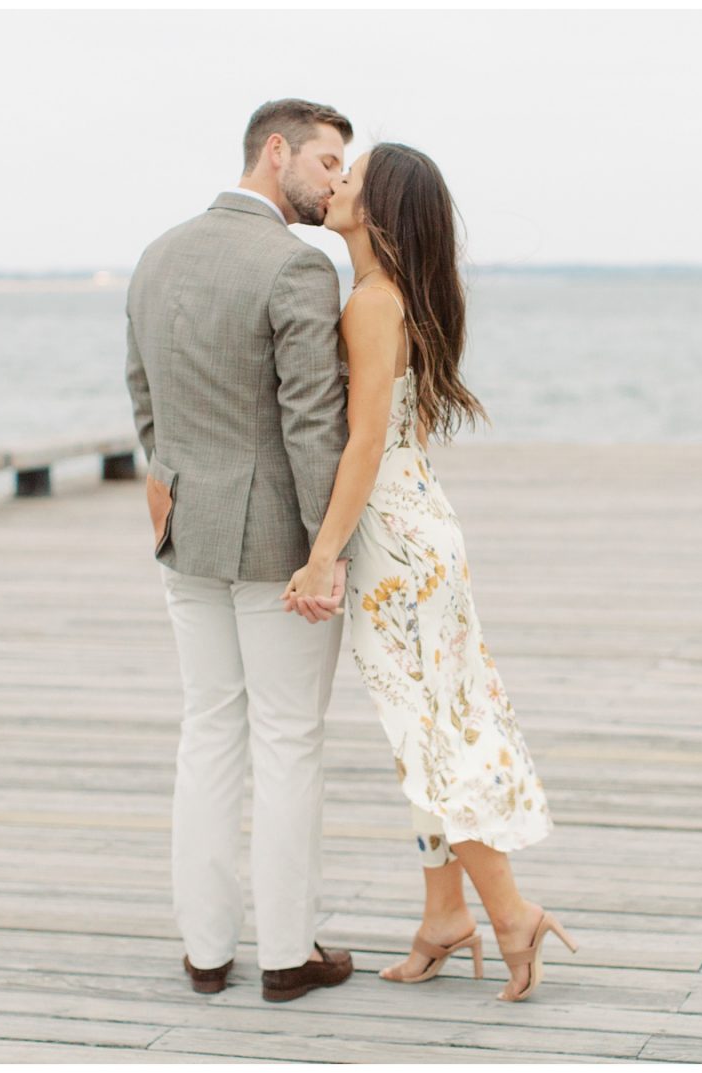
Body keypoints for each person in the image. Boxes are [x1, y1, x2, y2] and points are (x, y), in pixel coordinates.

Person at [280, 142, 577, 1002]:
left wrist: (321, 555)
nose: (335, 185)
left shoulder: (373, 304)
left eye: (352, 178)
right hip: (425, 532)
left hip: (394, 548)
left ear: (380, 211)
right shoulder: (392, 297)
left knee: (431, 743)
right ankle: (444, 916)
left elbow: (363, 442)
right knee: (431, 736)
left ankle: (511, 913)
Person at [124, 98, 360, 1003]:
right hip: (277, 546)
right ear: (276, 151)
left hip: (184, 532)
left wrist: (174, 491)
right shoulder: (296, 268)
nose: (337, 180)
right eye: (329, 161)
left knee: (208, 732)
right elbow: (312, 424)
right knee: (289, 738)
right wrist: (325, 550)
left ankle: (207, 950)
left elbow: (144, 399)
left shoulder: (157, 255)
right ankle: (289, 955)